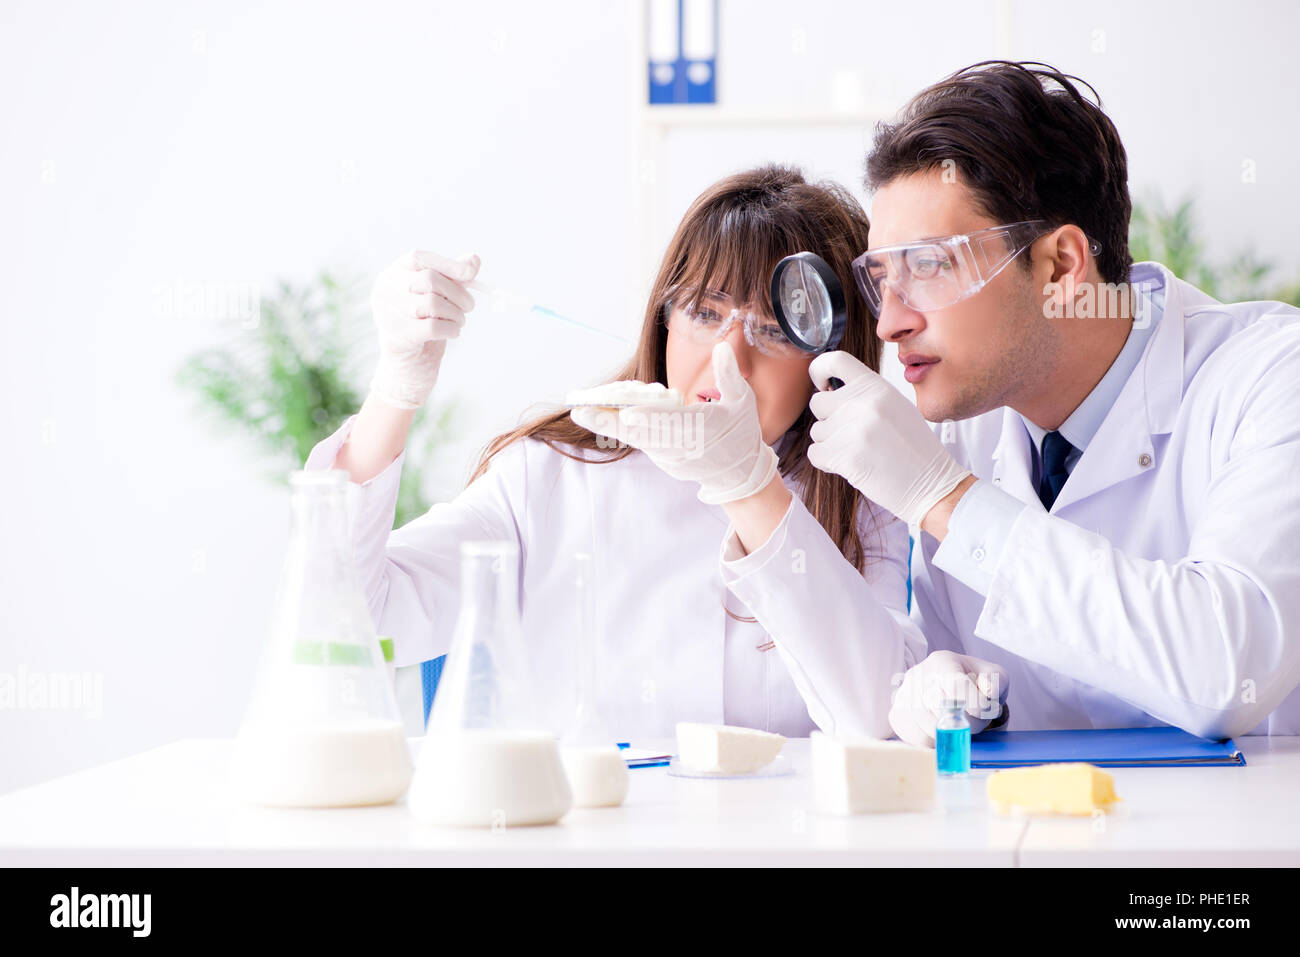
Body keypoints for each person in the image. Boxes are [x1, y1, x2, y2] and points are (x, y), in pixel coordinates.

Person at [305, 165, 925, 741]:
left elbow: (875, 717)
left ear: (831, 355)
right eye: (704, 311)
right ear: (664, 319)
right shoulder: (548, 477)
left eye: (772, 329)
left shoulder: (861, 497)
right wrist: (395, 389)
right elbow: (357, 614)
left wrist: (750, 491)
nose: (728, 357)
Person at [805, 61, 1300, 746]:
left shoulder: (1270, 375)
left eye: (928, 265)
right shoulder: (965, 428)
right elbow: (963, 678)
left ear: (1062, 266)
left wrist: (947, 499)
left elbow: (1225, 670)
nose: (889, 323)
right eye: (882, 277)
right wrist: (945, 692)